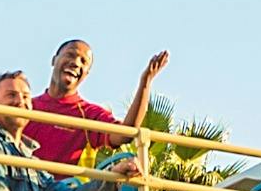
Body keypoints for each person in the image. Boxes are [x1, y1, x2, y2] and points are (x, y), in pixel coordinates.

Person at [26, 40, 167, 174]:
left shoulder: (89, 114)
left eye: (83, 61)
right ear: (54, 60)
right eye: (70, 54)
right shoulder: (25, 107)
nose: (75, 63)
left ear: (86, 73)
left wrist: (145, 82)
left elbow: (125, 134)